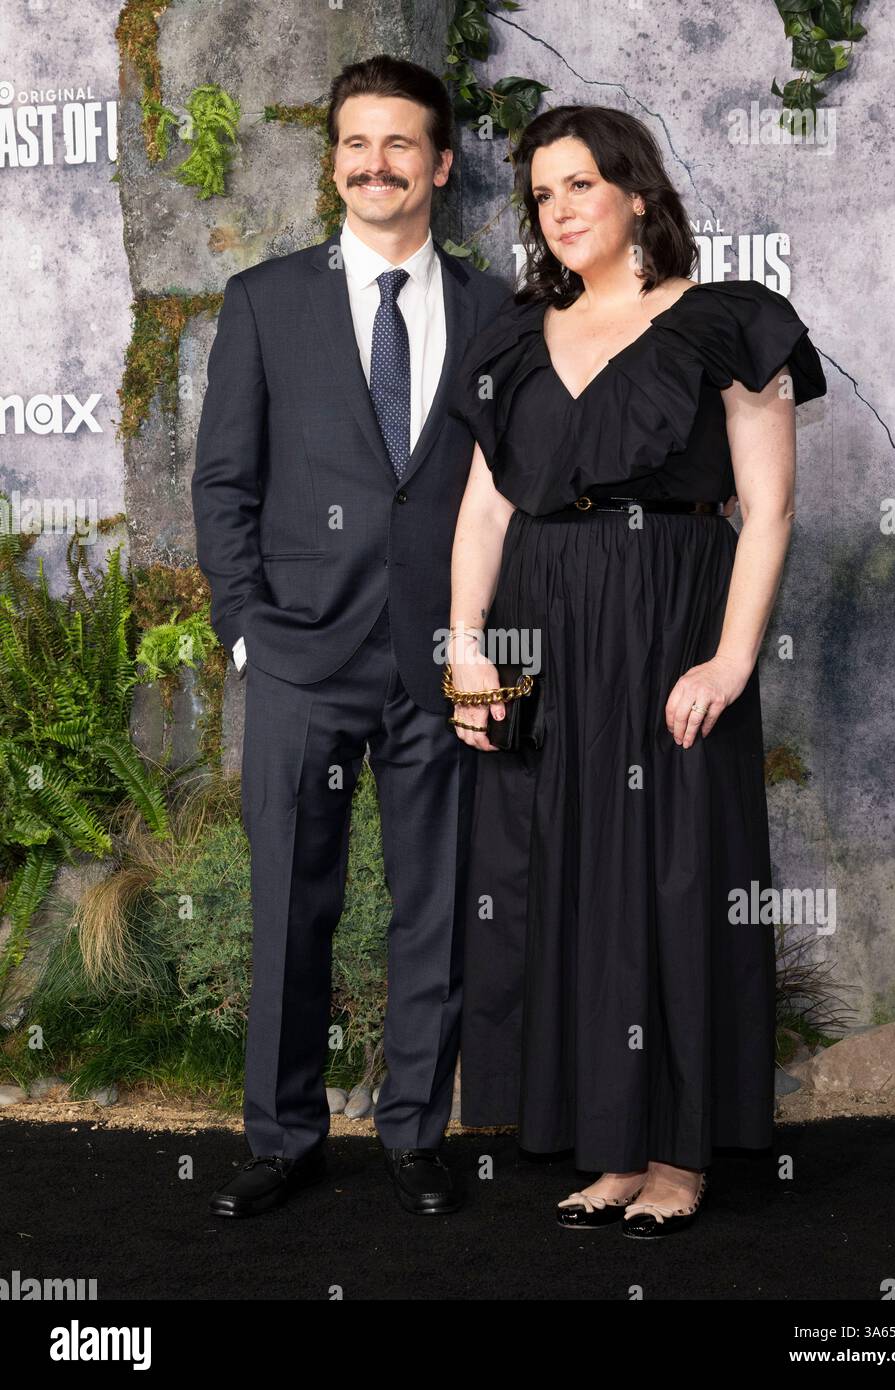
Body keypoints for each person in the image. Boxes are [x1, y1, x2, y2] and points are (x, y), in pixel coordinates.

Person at [444, 104, 827, 1238]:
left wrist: (728, 655)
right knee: (565, 878)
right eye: (542, 194)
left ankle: (676, 1154)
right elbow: (481, 509)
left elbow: (767, 509)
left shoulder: (725, 323)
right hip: (545, 624)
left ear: (638, 195)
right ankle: (606, 1146)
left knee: (671, 876)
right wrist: (467, 646)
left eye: (579, 186)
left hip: (669, 618)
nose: (558, 210)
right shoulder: (513, 337)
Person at [192, 54, 510, 1218]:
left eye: (397, 145)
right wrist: (245, 634)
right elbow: (223, 481)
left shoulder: (494, 309)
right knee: (292, 900)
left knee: (435, 901)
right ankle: (283, 1140)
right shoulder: (265, 301)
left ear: (437, 164)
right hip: (298, 663)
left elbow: (508, 488)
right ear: (334, 162)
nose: (373, 164)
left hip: (445, 660)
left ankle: (415, 1133)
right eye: (352, 144)